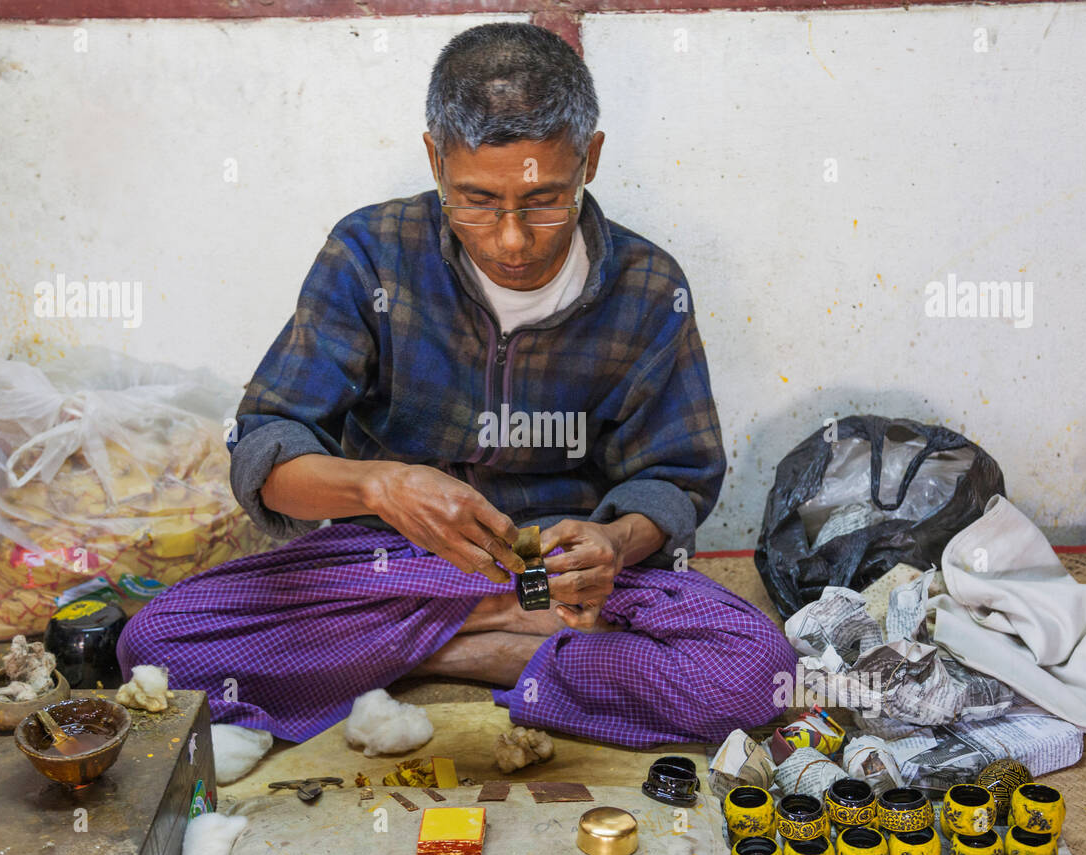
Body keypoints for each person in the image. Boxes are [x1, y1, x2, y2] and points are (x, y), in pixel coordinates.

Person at [117, 22, 795, 749]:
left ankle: (409, 656)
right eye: (475, 200)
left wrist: (615, 542)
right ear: (435, 160)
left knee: (757, 670)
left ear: (590, 159)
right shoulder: (371, 256)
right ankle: (500, 650)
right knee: (158, 641)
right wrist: (379, 487)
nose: (511, 239)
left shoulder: (648, 287)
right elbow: (266, 450)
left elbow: (677, 477)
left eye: (542, 201)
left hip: (559, 585)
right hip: (383, 573)